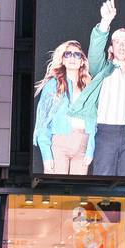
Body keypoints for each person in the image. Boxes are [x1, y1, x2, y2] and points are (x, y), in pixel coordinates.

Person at [71, 0, 125, 176]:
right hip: (104, 134)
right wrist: (105, 22)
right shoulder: (102, 69)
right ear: (111, 47)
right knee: (102, 183)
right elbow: (94, 51)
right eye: (117, 42)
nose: (122, 45)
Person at [33, 40, 95, 174]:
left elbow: (93, 120)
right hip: (60, 142)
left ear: (82, 61)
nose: (72, 57)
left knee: (78, 187)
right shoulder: (53, 85)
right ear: (62, 59)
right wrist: (46, 154)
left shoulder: (89, 87)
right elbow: (43, 120)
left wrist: (90, 148)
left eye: (77, 55)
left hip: (83, 143)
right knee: (56, 185)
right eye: (68, 54)